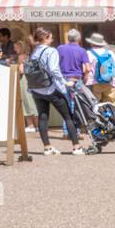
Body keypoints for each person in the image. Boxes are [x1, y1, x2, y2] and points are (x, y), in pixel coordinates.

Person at [24, 27, 89, 156]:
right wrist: (65, 82)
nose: (52, 39)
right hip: (51, 88)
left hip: (37, 88)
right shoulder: (51, 51)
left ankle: (47, 147)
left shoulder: (34, 51)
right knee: (68, 116)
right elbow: (54, 69)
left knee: (43, 117)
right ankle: (76, 147)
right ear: (46, 38)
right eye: (51, 37)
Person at [86, 33, 115, 107]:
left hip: (94, 83)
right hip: (110, 82)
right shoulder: (109, 52)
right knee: (111, 105)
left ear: (92, 43)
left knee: (95, 105)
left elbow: (86, 69)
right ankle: (110, 117)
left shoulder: (88, 53)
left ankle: (99, 118)